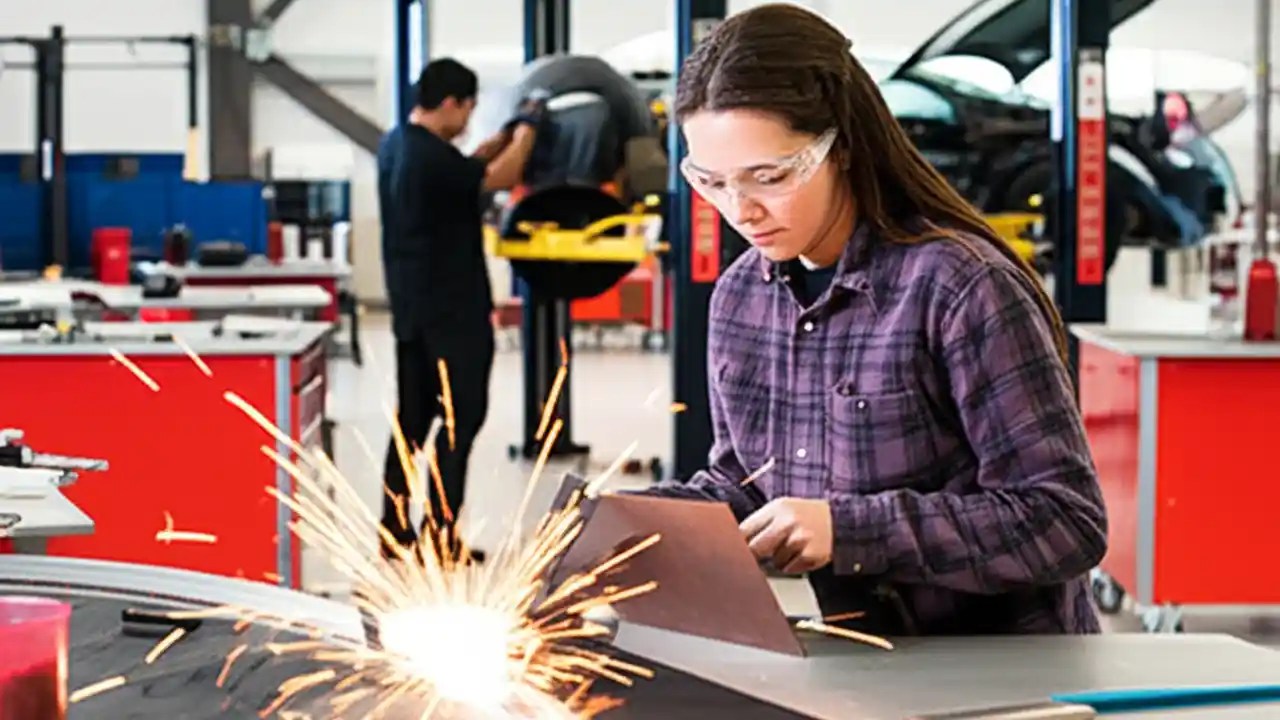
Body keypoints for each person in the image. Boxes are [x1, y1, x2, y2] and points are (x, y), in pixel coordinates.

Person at [644, 4, 1108, 635]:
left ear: (843, 147)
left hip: (999, 671)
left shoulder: (961, 288)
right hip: (861, 657)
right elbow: (748, 484)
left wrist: (850, 529)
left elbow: (1065, 522)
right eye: (713, 182)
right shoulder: (741, 297)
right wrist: (630, 523)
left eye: (769, 177)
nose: (741, 210)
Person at [377, 58, 546, 561]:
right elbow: (501, 174)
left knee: (412, 422)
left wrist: (503, 135)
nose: (470, 119)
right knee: (458, 422)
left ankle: (394, 530)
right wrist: (531, 129)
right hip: (454, 316)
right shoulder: (432, 160)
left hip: (412, 312)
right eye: (468, 108)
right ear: (451, 103)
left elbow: (472, 165)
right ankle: (441, 537)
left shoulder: (401, 146)